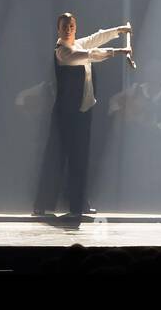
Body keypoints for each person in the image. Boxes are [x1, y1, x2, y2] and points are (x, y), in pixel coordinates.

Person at [32, 13, 131, 217]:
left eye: (71, 26)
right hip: (65, 114)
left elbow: (96, 38)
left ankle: (78, 203)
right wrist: (120, 50)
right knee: (57, 157)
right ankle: (42, 203)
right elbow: (91, 54)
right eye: (64, 26)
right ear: (58, 29)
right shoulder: (63, 52)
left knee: (80, 159)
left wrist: (119, 31)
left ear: (75, 27)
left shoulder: (77, 44)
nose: (68, 29)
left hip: (83, 111)